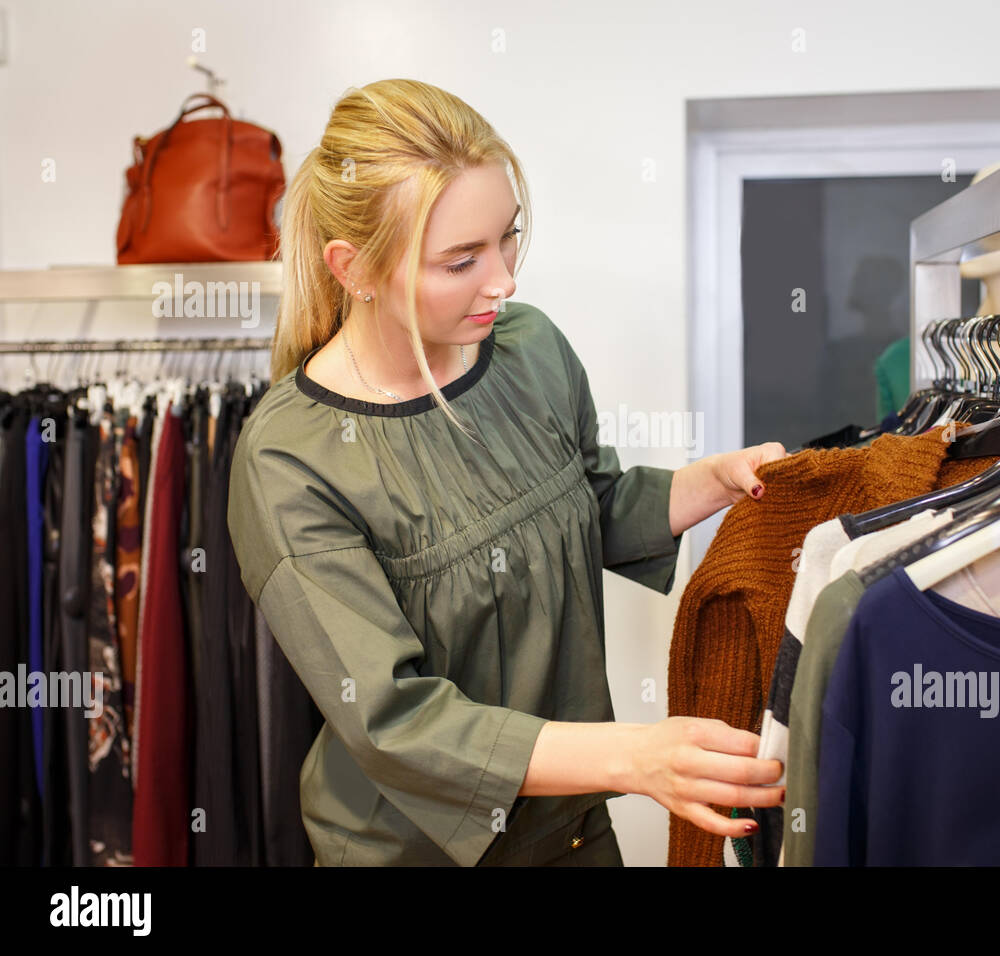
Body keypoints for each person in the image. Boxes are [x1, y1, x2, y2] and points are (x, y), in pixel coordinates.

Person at [226, 78, 786, 867]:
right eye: (461, 260)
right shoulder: (290, 458)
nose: (504, 280)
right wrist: (635, 756)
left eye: (507, 239)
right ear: (354, 268)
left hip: (573, 832)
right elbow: (394, 720)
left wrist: (713, 483)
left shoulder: (529, 348)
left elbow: (591, 506)